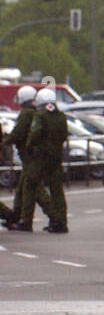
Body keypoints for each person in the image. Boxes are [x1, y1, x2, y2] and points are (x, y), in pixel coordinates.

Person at [19, 88, 68, 233]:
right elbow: (64, 135)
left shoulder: (40, 116)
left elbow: (35, 133)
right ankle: (61, 222)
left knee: (30, 184)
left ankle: (26, 220)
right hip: (56, 157)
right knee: (57, 191)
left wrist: (29, 147)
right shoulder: (61, 116)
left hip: (40, 158)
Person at [3, 85, 50, 231]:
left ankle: (54, 217)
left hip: (30, 158)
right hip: (32, 158)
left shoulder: (26, 114)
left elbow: (19, 132)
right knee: (23, 189)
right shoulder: (35, 113)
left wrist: (5, 141)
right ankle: (17, 217)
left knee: (34, 189)